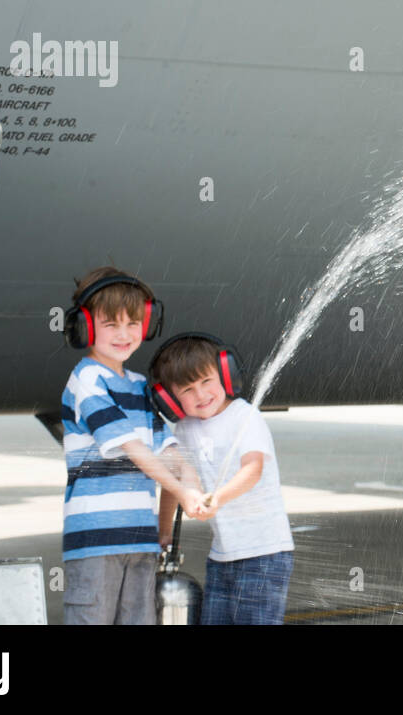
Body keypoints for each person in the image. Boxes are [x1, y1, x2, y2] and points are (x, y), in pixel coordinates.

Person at [61, 266, 205, 625]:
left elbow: (167, 452)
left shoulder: (140, 386)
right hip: (97, 542)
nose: (124, 335)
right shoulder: (87, 380)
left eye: (133, 323)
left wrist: (190, 483)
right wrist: (181, 490)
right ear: (86, 328)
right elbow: (135, 450)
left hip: (141, 541)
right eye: (111, 325)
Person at [148, 332, 294, 625]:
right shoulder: (186, 428)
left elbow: (253, 470)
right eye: (187, 390)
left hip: (264, 553)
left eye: (206, 382)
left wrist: (218, 498)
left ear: (225, 376)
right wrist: (163, 534)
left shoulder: (245, 417)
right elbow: (172, 483)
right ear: (169, 400)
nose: (201, 395)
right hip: (222, 555)